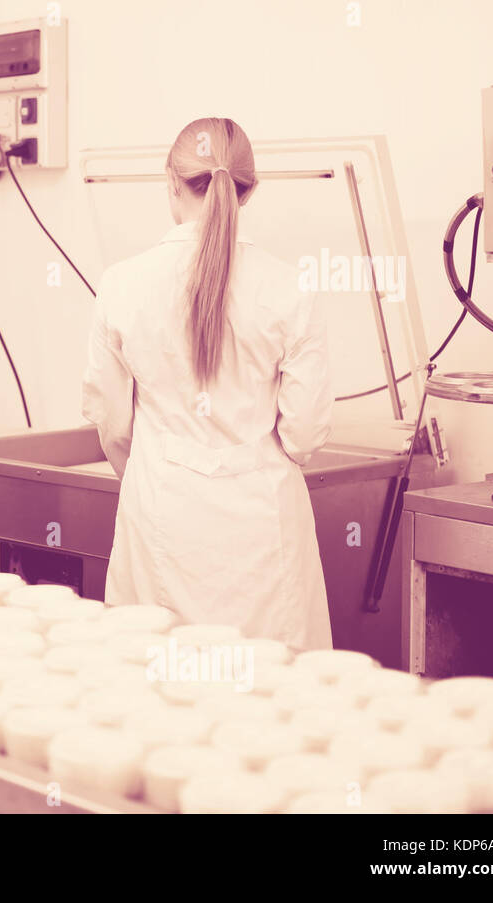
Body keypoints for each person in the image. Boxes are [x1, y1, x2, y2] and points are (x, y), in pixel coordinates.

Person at [82, 117, 333, 650]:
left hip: (162, 516)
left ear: (171, 183)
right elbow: (304, 437)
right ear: (249, 191)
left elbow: (112, 422)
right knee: (274, 698)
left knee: (158, 687)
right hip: (261, 530)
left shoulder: (122, 284)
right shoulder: (290, 288)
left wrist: (158, 468)